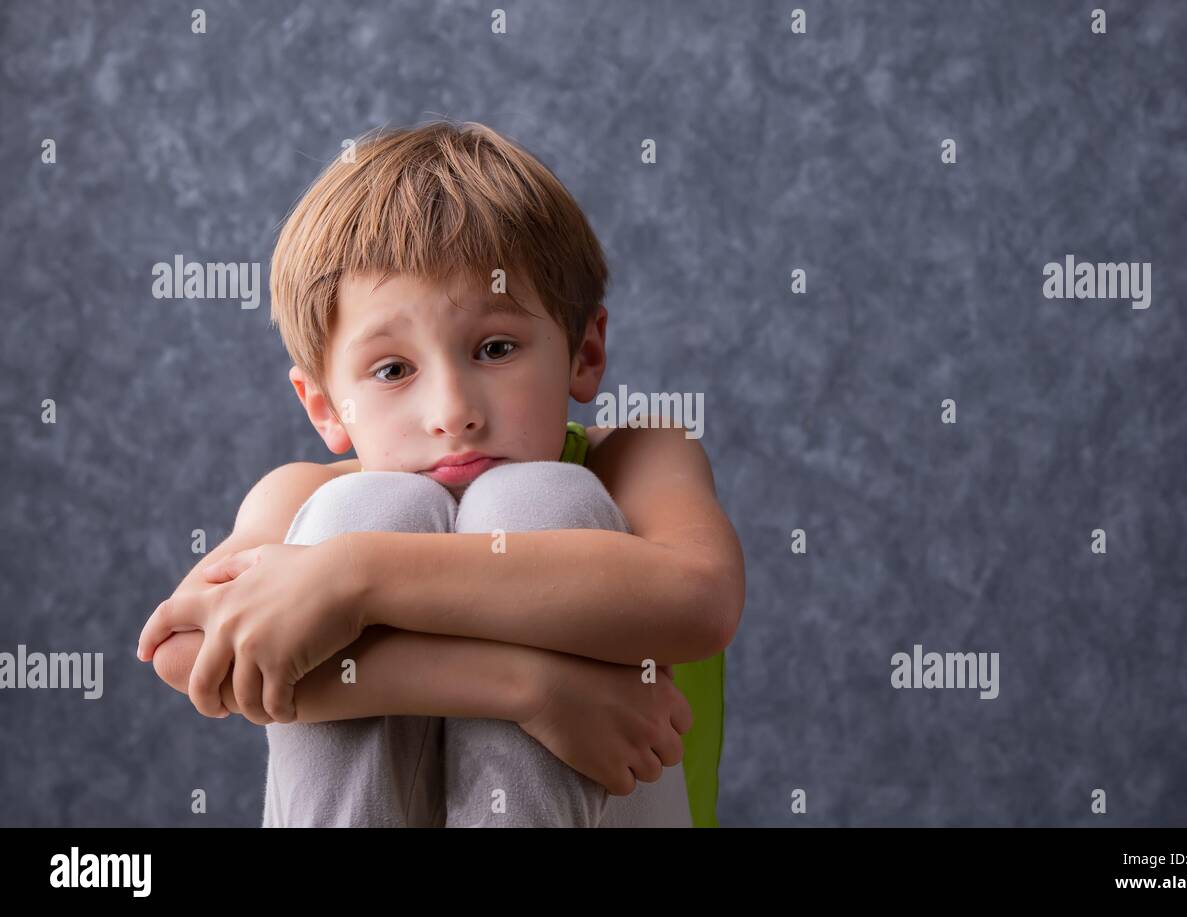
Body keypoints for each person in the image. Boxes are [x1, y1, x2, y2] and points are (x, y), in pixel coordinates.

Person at [137, 120, 743, 827]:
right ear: (326, 406)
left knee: (534, 499)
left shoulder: (638, 458)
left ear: (584, 352)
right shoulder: (304, 496)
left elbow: (699, 599)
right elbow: (187, 650)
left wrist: (353, 577)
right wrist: (529, 687)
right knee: (361, 507)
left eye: (494, 347)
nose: (452, 411)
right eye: (393, 369)